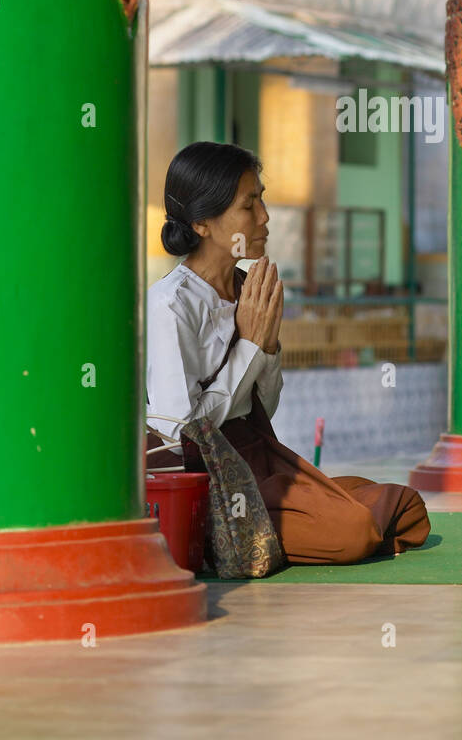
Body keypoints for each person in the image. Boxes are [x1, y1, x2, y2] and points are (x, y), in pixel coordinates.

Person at [146, 141, 431, 565]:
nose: (264, 217)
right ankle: (230, 535)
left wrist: (269, 347)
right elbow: (180, 431)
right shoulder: (171, 304)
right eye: (249, 204)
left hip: (260, 456)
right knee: (352, 529)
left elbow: (264, 409)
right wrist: (250, 346)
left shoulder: (248, 289)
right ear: (203, 222)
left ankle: (322, 518)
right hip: (208, 478)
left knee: (407, 506)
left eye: (261, 199)